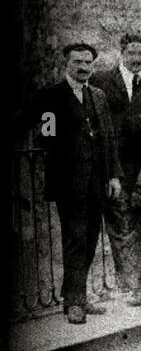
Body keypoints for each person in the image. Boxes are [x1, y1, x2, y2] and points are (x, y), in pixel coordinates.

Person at [31, 44, 124, 324]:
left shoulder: (98, 95)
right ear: (67, 64)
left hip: (97, 183)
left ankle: (77, 296)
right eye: (77, 62)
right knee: (75, 241)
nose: (83, 67)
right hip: (69, 184)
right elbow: (46, 137)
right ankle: (74, 302)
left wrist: (114, 176)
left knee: (90, 241)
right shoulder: (51, 97)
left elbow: (108, 138)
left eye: (88, 63)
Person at [91, 32, 141, 306]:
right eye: (132, 53)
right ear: (121, 53)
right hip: (114, 168)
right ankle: (132, 286)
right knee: (122, 226)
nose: (137, 59)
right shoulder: (99, 81)